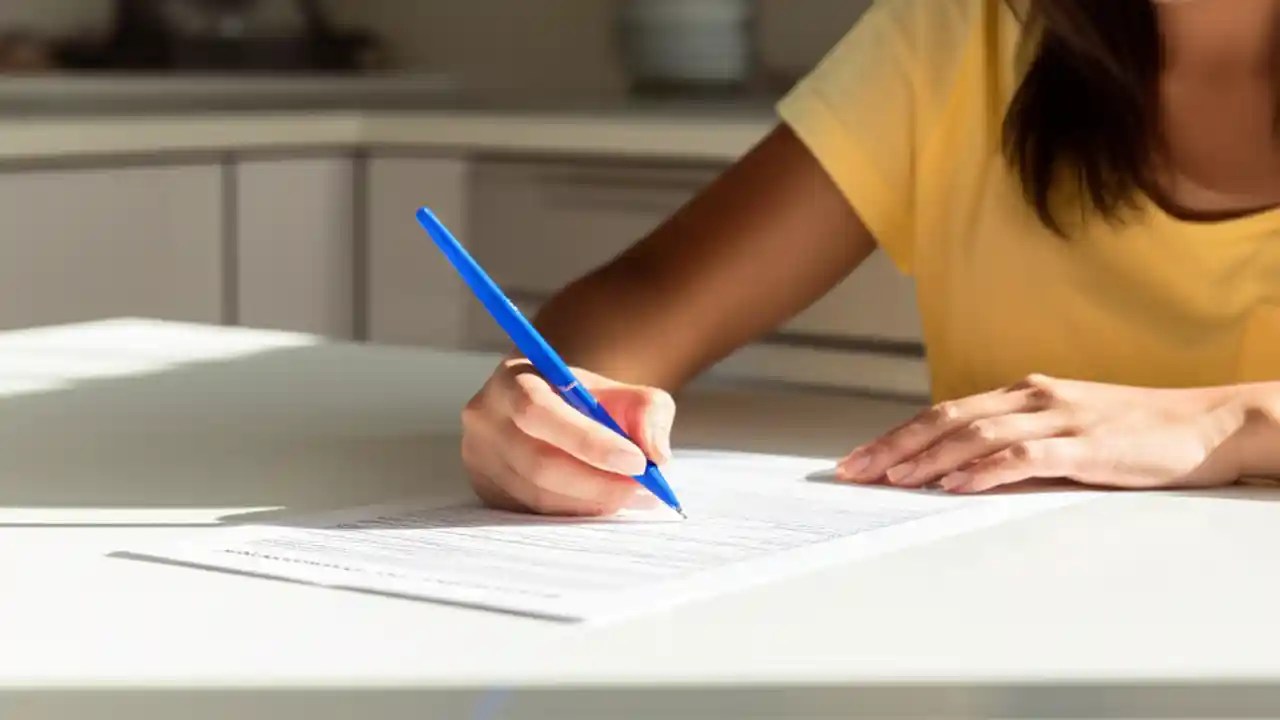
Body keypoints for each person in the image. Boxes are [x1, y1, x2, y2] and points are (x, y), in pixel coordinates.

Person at [461, 0, 1280, 516]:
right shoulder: (962, 30)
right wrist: (555, 419)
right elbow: (644, 304)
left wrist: (1233, 419)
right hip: (1003, 637)